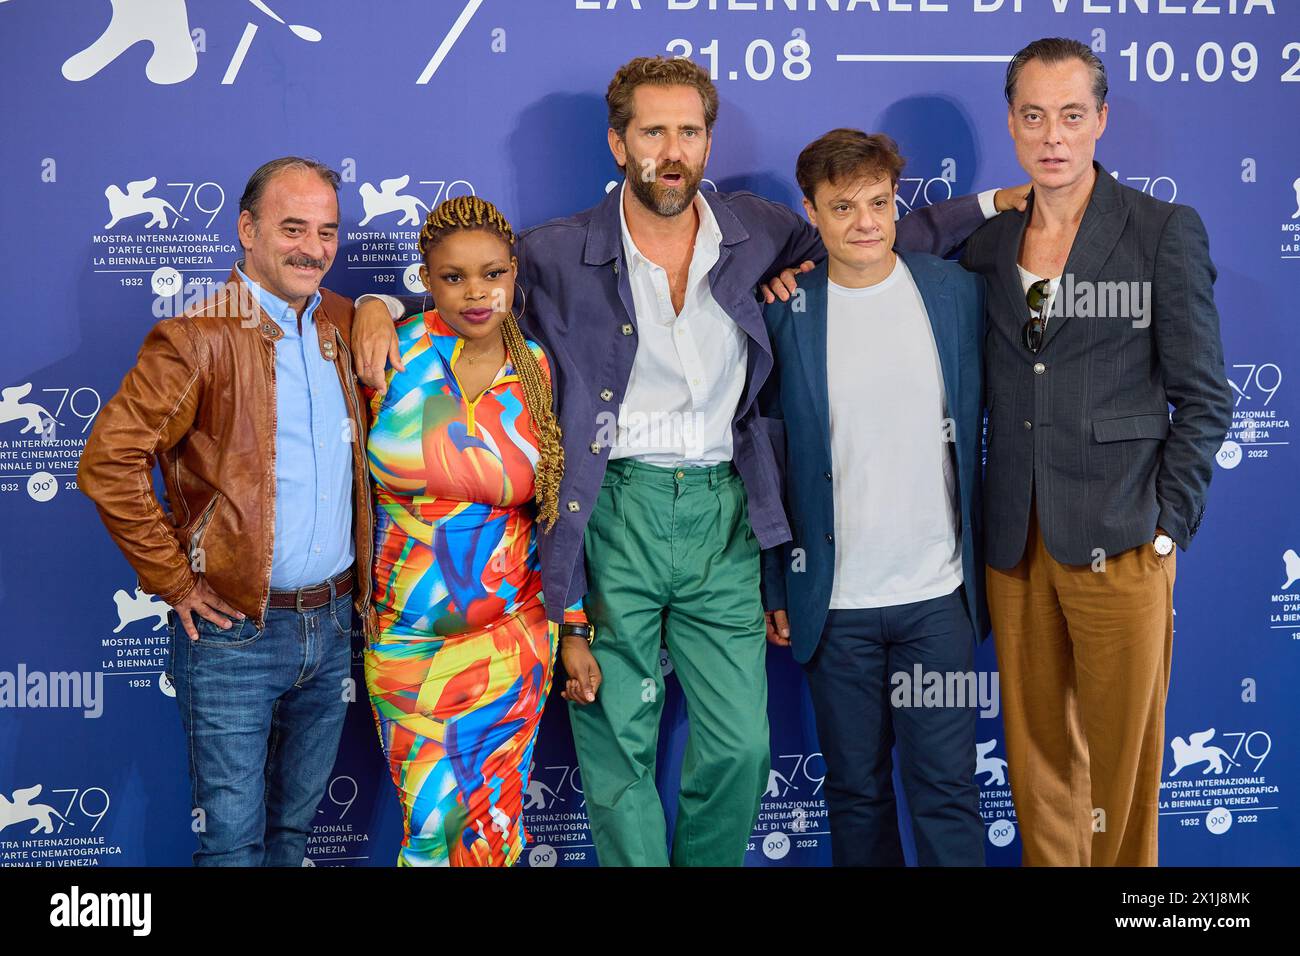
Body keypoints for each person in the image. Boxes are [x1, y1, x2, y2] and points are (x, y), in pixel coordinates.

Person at [353, 57, 1024, 866]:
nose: (672, 150)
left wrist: (990, 204)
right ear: (617, 142)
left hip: (724, 515)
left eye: (690, 131)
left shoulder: (760, 230)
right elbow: (465, 291)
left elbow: (874, 235)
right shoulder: (560, 253)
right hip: (612, 513)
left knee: (742, 746)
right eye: (652, 131)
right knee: (616, 752)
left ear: (709, 142)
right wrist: (376, 303)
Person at [960, 38, 1233, 866]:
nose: (1053, 135)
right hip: (1015, 541)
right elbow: (883, 241)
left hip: (1122, 535)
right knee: (1040, 768)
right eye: (1034, 116)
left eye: (1072, 116)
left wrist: (1167, 524)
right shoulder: (986, 246)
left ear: (1101, 121)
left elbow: (1207, 396)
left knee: (1123, 771)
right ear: (1011, 124)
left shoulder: (1160, 231)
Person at [78, 157, 374, 866]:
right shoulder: (195, 336)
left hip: (334, 626)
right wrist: (176, 583)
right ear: (247, 229)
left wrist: (378, 306)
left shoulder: (340, 321)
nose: (313, 247)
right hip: (236, 631)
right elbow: (106, 464)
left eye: (328, 231)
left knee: (292, 837)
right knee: (232, 846)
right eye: (292, 227)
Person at [760, 129, 988, 866]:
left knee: (946, 787)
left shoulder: (954, 292)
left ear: (898, 203)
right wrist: (776, 581)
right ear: (811, 212)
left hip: (937, 599)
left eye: (880, 202)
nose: (865, 221)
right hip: (838, 607)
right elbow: (765, 455)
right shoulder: (786, 311)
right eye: (843, 205)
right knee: (855, 794)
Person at [363, 196, 596, 866]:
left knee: (491, 836)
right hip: (408, 642)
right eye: (453, 277)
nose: (476, 293)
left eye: (492, 274)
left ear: (515, 274)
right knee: (431, 829)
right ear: (427, 280)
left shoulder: (539, 372)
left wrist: (573, 625)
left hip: (512, 643)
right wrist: (371, 306)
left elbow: (558, 512)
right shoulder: (390, 357)